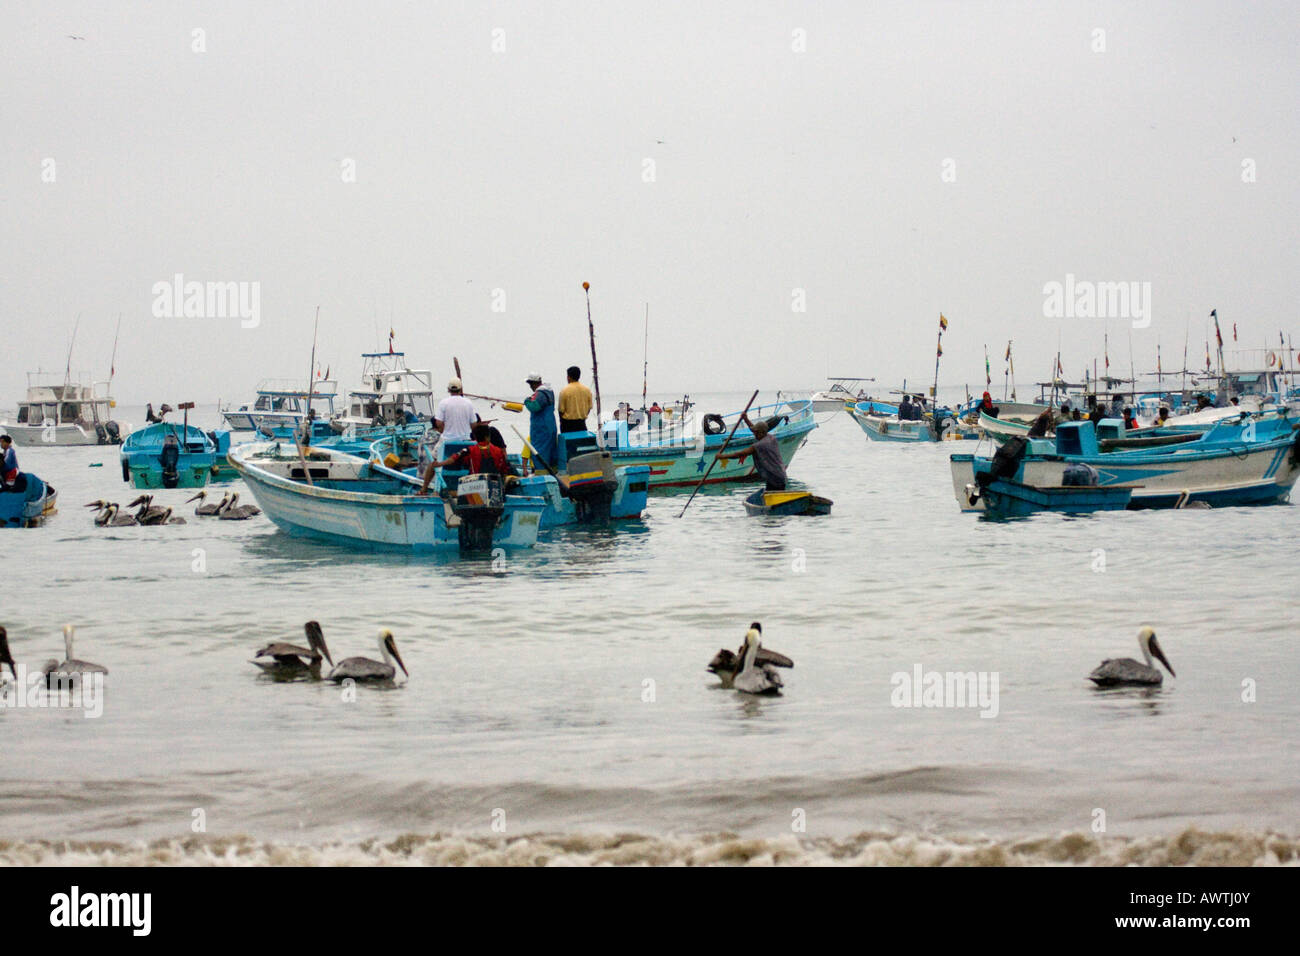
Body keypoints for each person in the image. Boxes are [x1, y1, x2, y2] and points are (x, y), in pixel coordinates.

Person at [417, 423, 517, 496]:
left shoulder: (469, 450)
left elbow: (453, 459)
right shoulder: (498, 451)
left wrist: (440, 464)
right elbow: (504, 470)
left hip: (475, 487)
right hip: (494, 487)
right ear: (487, 437)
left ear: (475, 438)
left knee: (444, 493)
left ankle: (426, 491)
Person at [716, 419, 787, 490]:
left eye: (755, 433)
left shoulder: (759, 445)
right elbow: (754, 428)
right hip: (780, 475)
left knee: (773, 494)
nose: (754, 434)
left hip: (774, 478)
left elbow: (739, 454)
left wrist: (722, 456)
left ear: (761, 433)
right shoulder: (771, 437)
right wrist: (745, 418)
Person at [521, 373, 559, 469]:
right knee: (552, 452)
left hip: (541, 430)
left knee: (541, 452)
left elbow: (534, 407)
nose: (530, 387)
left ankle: (542, 474)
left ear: (533, 383)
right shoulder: (549, 391)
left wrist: (527, 401)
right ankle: (554, 473)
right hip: (550, 425)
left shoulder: (540, 393)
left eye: (530, 384)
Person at [435, 378, 477, 443]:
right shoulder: (468, 403)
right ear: (461, 389)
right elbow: (473, 424)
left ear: (448, 390)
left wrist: (444, 430)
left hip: (447, 441)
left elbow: (439, 422)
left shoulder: (443, 403)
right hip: (465, 440)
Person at [558, 366, 593, 433]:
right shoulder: (587, 390)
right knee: (581, 442)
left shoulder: (564, 391)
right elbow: (589, 408)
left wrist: (561, 423)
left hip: (567, 425)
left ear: (568, 377)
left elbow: (561, 411)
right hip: (582, 424)